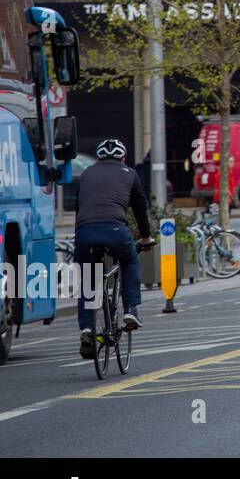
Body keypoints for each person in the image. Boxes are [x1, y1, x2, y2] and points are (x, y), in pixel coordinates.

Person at [74, 138, 155, 359]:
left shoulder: (86, 174)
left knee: (89, 279)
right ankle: (130, 310)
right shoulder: (130, 174)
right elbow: (140, 209)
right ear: (123, 157)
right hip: (116, 231)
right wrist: (146, 237)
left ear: (99, 158)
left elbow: (79, 209)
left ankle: (87, 329)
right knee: (130, 260)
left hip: (84, 233)